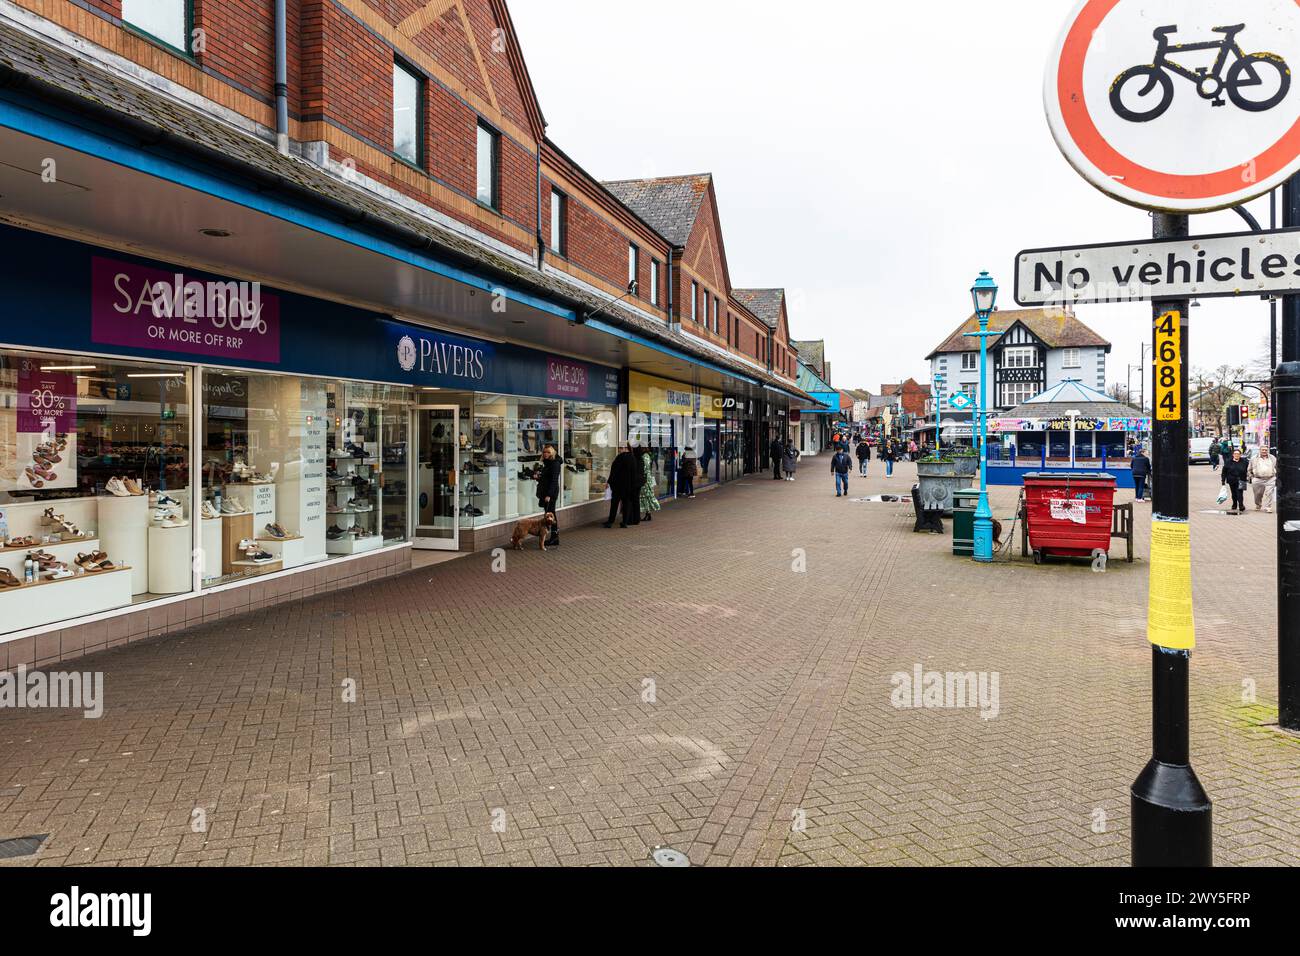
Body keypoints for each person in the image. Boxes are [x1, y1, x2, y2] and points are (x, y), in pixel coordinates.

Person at [604, 444, 638, 528]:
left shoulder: (620, 458)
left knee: (614, 504)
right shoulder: (633, 458)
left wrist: (609, 482)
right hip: (628, 485)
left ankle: (610, 521)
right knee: (626, 503)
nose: (619, 450)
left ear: (625, 448)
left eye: (620, 448)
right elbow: (634, 473)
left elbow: (614, 471)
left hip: (618, 485)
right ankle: (624, 522)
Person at [536, 444, 562, 546]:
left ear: (552, 453)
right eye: (544, 452)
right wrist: (538, 477)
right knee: (549, 513)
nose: (545, 454)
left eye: (548, 452)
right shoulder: (548, 463)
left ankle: (554, 537)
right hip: (546, 491)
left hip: (550, 493)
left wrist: (549, 495)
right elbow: (547, 478)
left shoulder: (555, 464)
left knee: (551, 514)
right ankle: (552, 537)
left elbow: (554, 481)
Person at [1249, 444, 1277, 513]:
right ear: (1260, 450)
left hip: (1270, 478)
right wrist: (1251, 477)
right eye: (1263, 450)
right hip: (1258, 479)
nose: (1264, 451)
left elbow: (1277, 467)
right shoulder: (1254, 458)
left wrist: (1275, 475)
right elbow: (1249, 469)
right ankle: (1258, 505)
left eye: (1266, 450)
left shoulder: (1273, 458)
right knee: (1258, 494)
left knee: (1269, 493)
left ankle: (1268, 507)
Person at [1222, 448, 1248, 515]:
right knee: (1234, 494)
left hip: (1242, 480)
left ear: (1240, 455)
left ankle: (1241, 505)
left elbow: (1248, 469)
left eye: (1238, 454)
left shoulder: (1244, 461)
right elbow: (1224, 472)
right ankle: (1234, 504)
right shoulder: (1228, 462)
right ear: (1233, 455)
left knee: (1240, 493)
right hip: (1232, 480)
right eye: (1235, 454)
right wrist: (1223, 481)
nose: (1237, 455)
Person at [640, 449, 660, 521]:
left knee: (645, 496)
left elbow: (644, 468)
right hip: (647, 478)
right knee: (647, 496)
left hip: (645, 479)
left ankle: (647, 513)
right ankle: (648, 514)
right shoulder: (647, 455)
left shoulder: (644, 456)